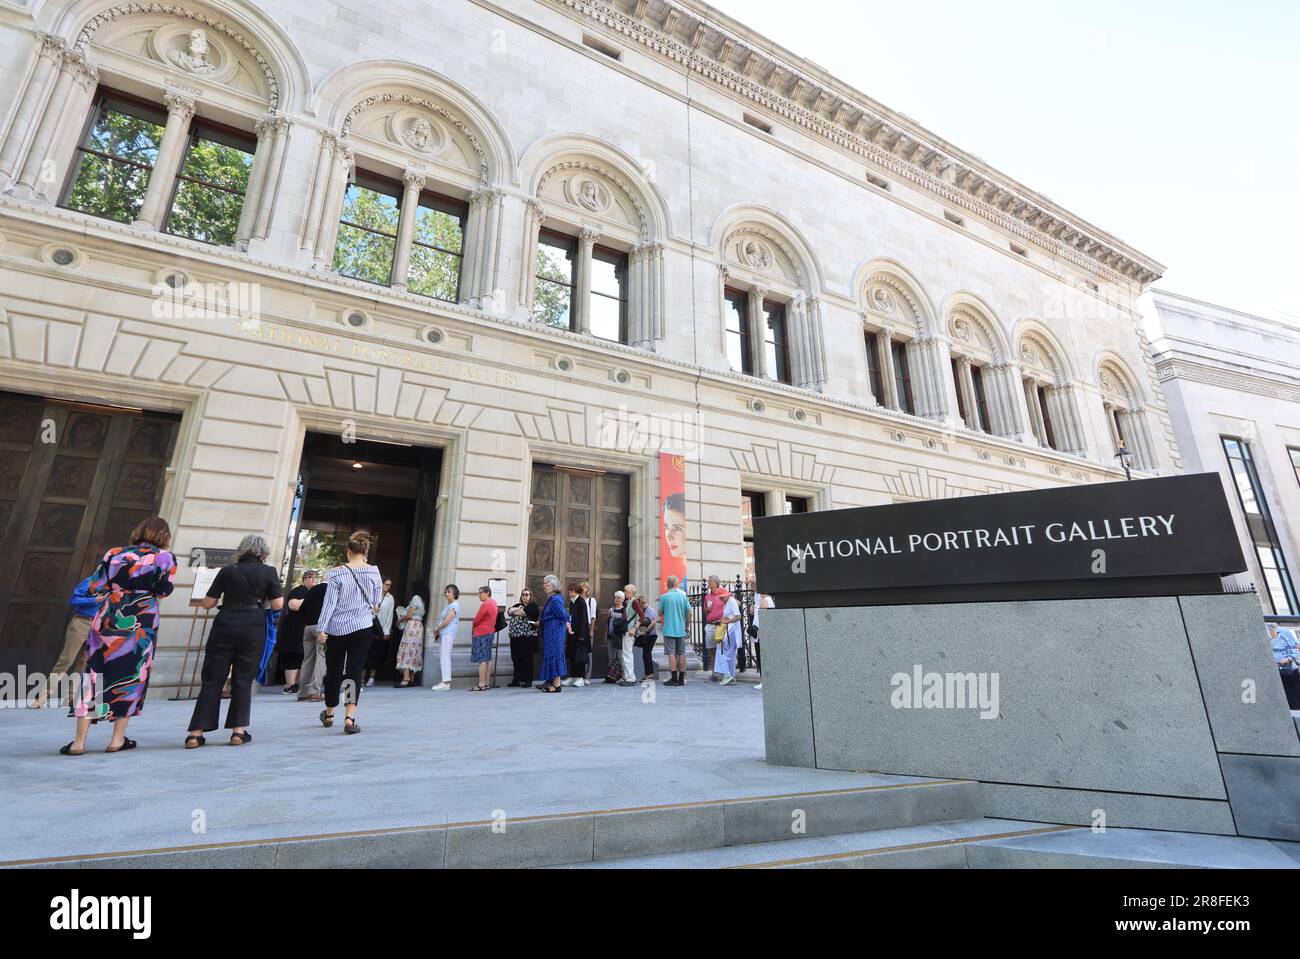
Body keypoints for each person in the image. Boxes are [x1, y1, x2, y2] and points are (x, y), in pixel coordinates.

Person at [61, 517, 177, 755]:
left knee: (93, 677)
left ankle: (78, 742)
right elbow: (164, 591)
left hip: (108, 617)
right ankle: (116, 739)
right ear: (164, 537)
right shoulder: (165, 558)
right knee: (131, 679)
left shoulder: (113, 553)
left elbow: (95, 586)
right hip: (142, 622)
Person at [186, 535, 285, 748]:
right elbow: (278, 604)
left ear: (241, 550)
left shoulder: (228, 570)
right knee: (243, 678)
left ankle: (196, 733)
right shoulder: (269, 572)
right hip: (252, 626)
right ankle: (238, 732)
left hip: (225, 623)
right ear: (263, 552)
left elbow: (208, 603)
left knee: (212, 678)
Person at [316, 531, 382, 734]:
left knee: (334, 670)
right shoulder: (374, 572)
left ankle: (329, 712)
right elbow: (377, 601)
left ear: (348, 552)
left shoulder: (336, 573)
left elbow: (329, 604)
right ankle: (349, 717)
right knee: (354, 671)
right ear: (366, 552)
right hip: (362, 627)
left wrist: (321, 629)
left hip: (337, 628)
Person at [36, 575, 98, 708]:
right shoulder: (92, 580)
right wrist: (95, 600)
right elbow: (73, 600)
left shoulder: (117, 586)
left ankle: (71, 697)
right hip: (82, 622)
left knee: (84, 663)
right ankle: (42, 698)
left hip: (100, 627)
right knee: (66, 660)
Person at [277, 569, 319, 695]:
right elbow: (293, 605)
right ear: (303, 579)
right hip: (294, 629)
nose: (313, 580)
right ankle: (289, 685)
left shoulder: (313, 592)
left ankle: (298, 683)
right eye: (310, 577)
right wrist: (310, 600)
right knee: (292, 656)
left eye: (315, 578)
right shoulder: (298, 590)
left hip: (306, 629)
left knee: (303, 656)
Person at [295, 575, 329, 702]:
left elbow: (302, 608)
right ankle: (314, 692)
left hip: (308, 627)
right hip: (322, 627)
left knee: (307, 660)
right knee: (321, 659)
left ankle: (302, 692)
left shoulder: (313, 589)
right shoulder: (332, 589)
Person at [536, 575, 570, 693]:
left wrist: (568, 624)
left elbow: (564, 615)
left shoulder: (555, 600)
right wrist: (542, 621)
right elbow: (551, 614)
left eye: (547, 584)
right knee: (552, 656)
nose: (544, 586)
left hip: (555, 633)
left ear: (554, 585)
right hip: (551, 632)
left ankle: (556, 685)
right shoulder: (552, 598)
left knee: (555, 656)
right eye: (544, 583)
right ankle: (553, 683)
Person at [657, 575, 691, 687]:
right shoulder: (683, 597)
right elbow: (689, 613)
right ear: (677, 584)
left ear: (667, 584)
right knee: (681, 653)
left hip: (669, 629)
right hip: (681, 629)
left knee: (671, 653)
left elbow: (660, 613)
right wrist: (686, 626)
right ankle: (682, 678)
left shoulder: (664, 597)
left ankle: (674, 678)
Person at [395, 582, 427, 688]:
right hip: (419, 626)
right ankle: (412, 678)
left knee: (406, 649)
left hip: (412, 625)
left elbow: (409, 615)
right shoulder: (424, 600)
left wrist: (399, 621)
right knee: (414, 651)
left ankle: (406, 678)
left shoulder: (416, 598)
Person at [365, 578, 396, 687]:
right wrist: (372, 610)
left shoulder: (390, 598)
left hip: (380, 629)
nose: (388, 587)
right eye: (386, 584)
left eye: (389, 585)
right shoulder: (372, 594)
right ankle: (360, 677)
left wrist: (387, 631)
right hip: (367, 626)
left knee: (376, 654)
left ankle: (371, 677)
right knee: (365, 653)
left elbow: (390, 616)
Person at [506, 589, 539, 687]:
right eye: (523, 595)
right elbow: (508, 611)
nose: (524, 596)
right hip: (515, 637)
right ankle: (516, 680)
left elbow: (523, 613)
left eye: (527, 595)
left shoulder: (533, 606)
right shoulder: (518, 605)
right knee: (515, 658)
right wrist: (517, 609)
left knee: (527, 659)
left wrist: (515, 611)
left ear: (530, 596)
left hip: (528, 637)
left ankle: (527, 680)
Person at [430, 585, 461, 691]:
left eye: (449, 592)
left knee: (445, 657)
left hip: (448, 633)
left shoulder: (454, 605)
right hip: (445, 634)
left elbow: (447, 621)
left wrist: (436, 629)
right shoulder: (449, 605)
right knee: (444, 657)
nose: (446, 593)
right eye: (446, 592)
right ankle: (445, 681)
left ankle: (446, 682)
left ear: (454, 594)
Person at [627, 584, 657, 684]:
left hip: (651, 635)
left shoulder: (650, 610)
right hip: (644, 635)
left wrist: (645, 631)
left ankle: (650, 675)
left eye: (640, 605)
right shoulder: (643, 610)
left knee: (647, 654)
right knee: (645, 654)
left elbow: (653, 623)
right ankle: (647, 674)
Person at [470, 586, 499, 691]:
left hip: (482, 632)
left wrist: (474, 626)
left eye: (481, 592)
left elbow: (476, 620)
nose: (479, 594)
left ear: (487, 593)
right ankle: (486, 682)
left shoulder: (485, 604)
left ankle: (481, 683)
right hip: (490, 631)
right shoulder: (494, 603)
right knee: (488, 658)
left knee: (482, 659)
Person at [750, 577, 774, 692]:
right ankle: (763, 680)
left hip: (761, 633)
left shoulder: (765, 601)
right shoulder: (761, 599)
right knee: (760, 657)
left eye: (754, 585)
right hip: (759, 633)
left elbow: (764, 618)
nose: (753, 587)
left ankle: (765, 680)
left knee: (762, 657)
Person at [1268, 622, 1300, 710]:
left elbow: (1296, 648)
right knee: (1288, 697)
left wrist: (1287, 659)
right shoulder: (1267, 635)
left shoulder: (1284, 633)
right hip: (1278, 671)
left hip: (1289, 670)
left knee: (1296, 694)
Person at [702, 575, 727, 680]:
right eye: (708, 581)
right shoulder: (707, 596)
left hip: (720, 626)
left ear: (716, 583)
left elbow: (731, 605)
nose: (708, 583)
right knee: (711, 651)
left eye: (710, 581)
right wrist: (707, 609)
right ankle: (714, 674)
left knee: (721, 650)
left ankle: (723, 672)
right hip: (710, 625)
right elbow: (705, 611)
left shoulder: (723, 594)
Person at [565, 583, 590, 687]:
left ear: (576, 592)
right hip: (572, 633)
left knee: (579, 656)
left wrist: (581, 636)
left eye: (571, 590)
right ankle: (572, 677)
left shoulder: (581, 602)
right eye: (569, 590)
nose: (569, 592)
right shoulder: (572, 603)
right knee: (572, 654)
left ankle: (581, 677)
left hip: (580, 634)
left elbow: (584, 620)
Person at [604, 590, 633, 684]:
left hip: (620, 637)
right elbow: (607, 624)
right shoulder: (611, 610)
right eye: (615, 597)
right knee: (611, 657)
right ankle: (610, 676)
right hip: (611, 636)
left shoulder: (625, 610)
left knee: (621, 657)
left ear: (622, 600)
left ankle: (623, 676)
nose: (616, 599)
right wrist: (605, 635)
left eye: (618, 598)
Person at [716, 588, 742, 686]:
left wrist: (727, 621)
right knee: (729, 655)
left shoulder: (731, 602)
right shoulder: (729, 601)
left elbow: (738, 616)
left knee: (723, 653)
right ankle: (731, 676)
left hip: (731, 632)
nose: (721, 599)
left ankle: (728, 675)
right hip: (730, 631)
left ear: (726, 595)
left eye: (722, 597)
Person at [581, 581, 597, 682]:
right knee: (580, 652)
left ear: (587, 589)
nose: (582, 589)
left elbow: (593, 616)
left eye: (584, 587)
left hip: (588, 627)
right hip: (580, 628)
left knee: (588, 652)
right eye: (581, 587)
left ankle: (588, 676)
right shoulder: (578, 600)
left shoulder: (592, 600)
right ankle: (581, 675)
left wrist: (591, 631)